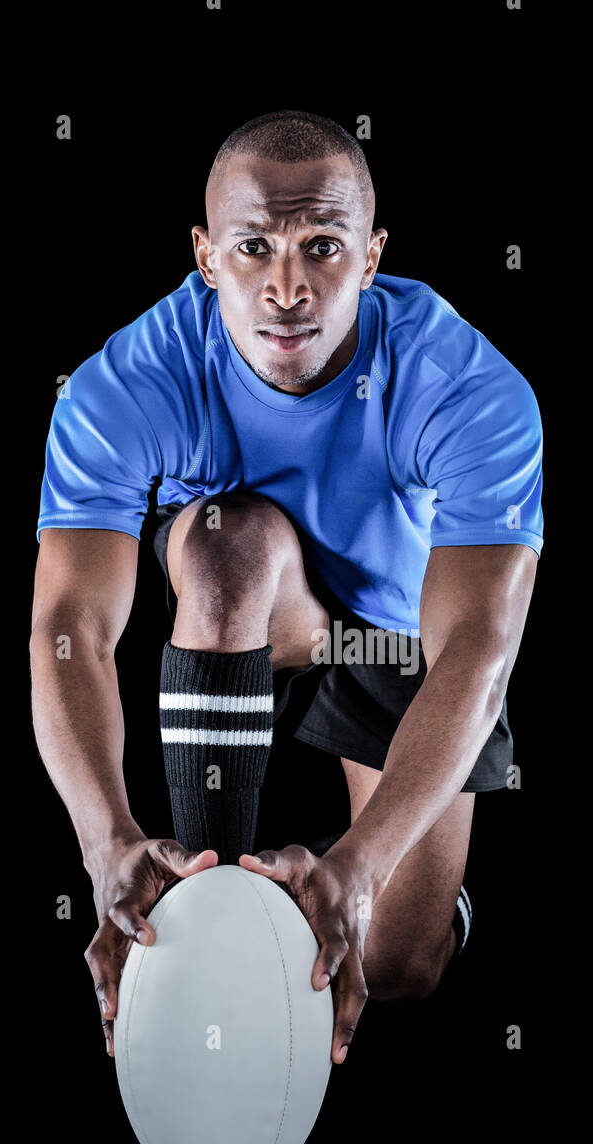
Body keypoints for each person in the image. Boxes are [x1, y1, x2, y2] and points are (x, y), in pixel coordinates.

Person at [30, 109, 543, 1068]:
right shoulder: (128, 383)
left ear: (373, 256)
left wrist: (364, 865)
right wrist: (106, 845)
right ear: (205, 256)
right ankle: (201, 917)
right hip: (258, 606)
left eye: (323, 247)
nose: (288, 287)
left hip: (398, 639)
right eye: (254, 247)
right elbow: (69, 624)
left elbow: (478, 647)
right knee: (227, 542)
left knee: (398, 967)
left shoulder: (467, 388)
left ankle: (402, 893)